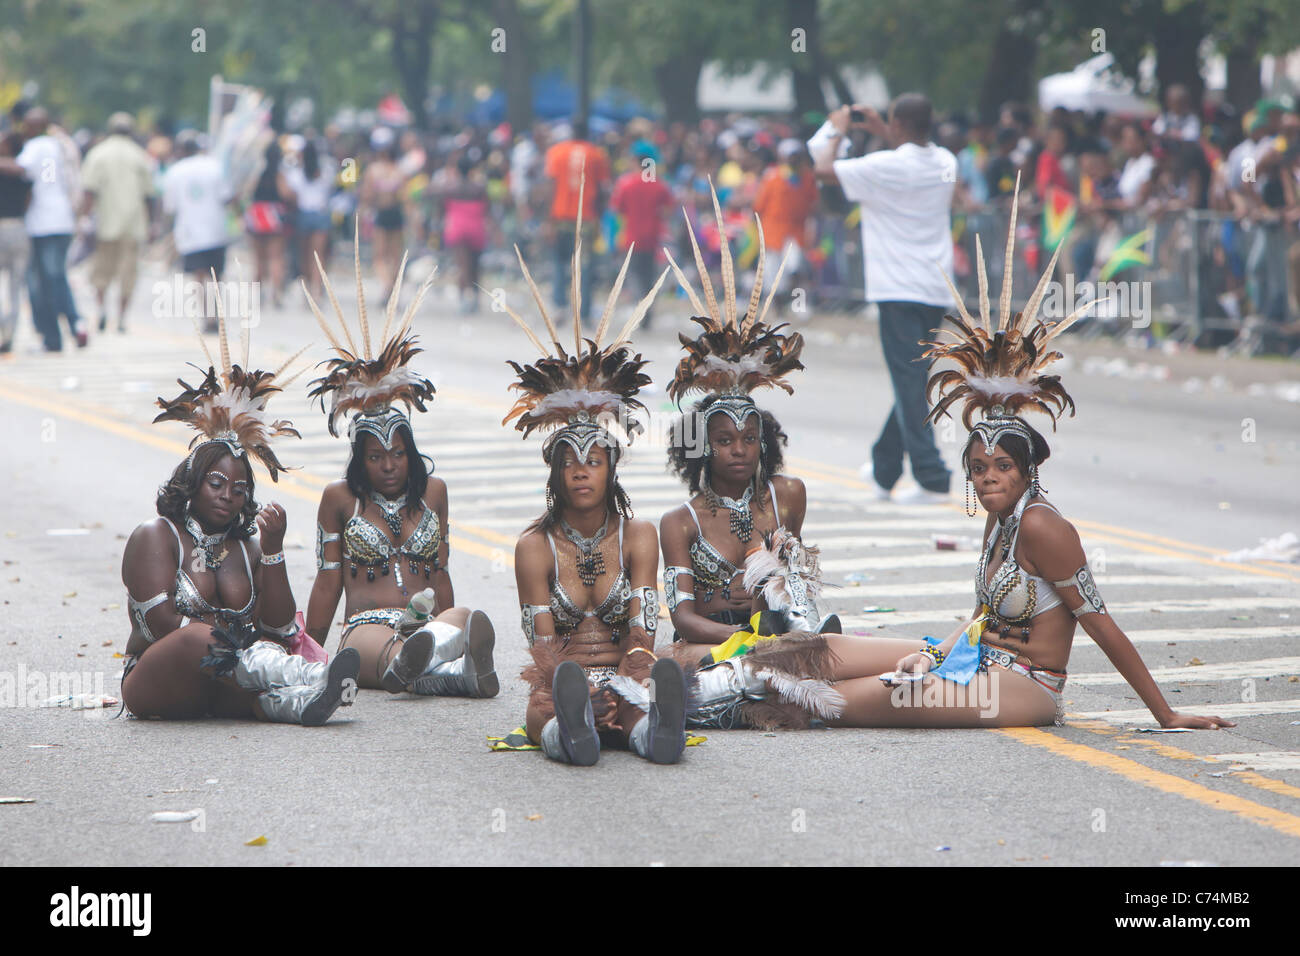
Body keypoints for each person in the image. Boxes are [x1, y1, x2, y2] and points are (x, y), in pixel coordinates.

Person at [684, 200, 1236, 731]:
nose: (989, 477)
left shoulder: (1044, 526)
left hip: (1024, 685)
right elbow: (980, 621)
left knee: (850, 696)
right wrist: (933, 656)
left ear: (1027, 470)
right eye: (977, 467)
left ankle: (696, 709)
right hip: (974, 661)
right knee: (825, 651)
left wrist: (1166, 713)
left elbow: (1100, 624)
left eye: (1001, 466)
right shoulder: (1004, 518)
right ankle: (693, 683)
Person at [500, 173, 687, 766]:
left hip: (624, 674)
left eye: (596, 460)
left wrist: (627, 684)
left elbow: (644, 627)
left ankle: (645, 731)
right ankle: (573, 732)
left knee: (646, 690)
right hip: (564, 682)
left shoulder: (638, 535)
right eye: (571, 462)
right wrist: (574, 694)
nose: (583, 472)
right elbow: (542, 644)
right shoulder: (534, 546)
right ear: (553, 475)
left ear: (612, 470)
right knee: (539, 709)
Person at [120, 300, 361, 723]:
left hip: (223, 690)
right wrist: (238, 644)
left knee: (262, 653)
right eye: (216, 483)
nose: (228, 495)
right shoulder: (157, 535)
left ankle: (303, 703)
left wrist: (272, 549)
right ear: (192, 486)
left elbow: (281, 628)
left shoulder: (245, 546)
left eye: (240, 488)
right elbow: (159, 626)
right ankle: (312, 677)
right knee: (199, 639)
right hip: (159, 683)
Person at [303, 227, 498, 698]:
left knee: (464, 619)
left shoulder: (434, 493)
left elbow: (442, 575)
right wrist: (305, 653)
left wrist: (452, 622)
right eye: (375, 456)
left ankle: (438, 655)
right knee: (391, 651)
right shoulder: (339, 499)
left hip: (427, 622)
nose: (389, 465)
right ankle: (443, 666)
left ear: (410, 454)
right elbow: (328, 582)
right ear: (359, 460)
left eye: (398, 454)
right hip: (367, 629)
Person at [807, 95, 956, 503]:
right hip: (935, 286)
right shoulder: (946, 161)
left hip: (896, 287)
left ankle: (932, 476)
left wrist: (838, 127)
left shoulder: (884, 166)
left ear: (898, 124)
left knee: (909, 379)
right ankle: (885, 468)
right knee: (912, 378)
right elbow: (909, 148)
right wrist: (882, 129)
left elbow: (823, 171)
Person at [13, 107, 86, 351]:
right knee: (56, 278)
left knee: (39, 283)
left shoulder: (37, 146)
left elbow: (21, 169)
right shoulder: (59, 145)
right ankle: (76, 325)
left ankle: (52, 335)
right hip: (62, 219)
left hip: (42, 223)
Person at [80, 112, 154, 334]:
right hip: (134, 224)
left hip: (106, 224)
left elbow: (89, 191)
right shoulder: (140, 156)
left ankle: (101, 311)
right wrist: (153, 224)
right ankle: (121, 318)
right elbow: (149, 195)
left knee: (101, 271)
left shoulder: (97, 154)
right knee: (128, 273)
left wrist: (84, 219)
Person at [161, 131, 235, 333]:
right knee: (216, 276)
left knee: (199, 276)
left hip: (190, 233)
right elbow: (227, 196)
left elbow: (169, 207)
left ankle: (208, 317)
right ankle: (217, 314)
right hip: (216, 229)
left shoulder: (174, 171)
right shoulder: (214, 166)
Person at [542, 118, 610, 326]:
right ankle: (585, 311)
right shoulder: (597, 155)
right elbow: (602, 190)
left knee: (560, 263)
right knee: (585, 265)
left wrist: (548, 220)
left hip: (560, 217)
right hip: (586, 218)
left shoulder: (556, 152)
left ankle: (560, 308)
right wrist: (599, 216)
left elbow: (550, 188)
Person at [609, 141, 672, 326]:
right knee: (649, 276)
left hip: (631, 237)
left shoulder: (625, 184)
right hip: (653, 237)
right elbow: (667, 211)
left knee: (633, 274)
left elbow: (617, 210)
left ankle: (641, 309)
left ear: (635, 160)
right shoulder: (659, 185)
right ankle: (649, 308)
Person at [437, 153, 489, 314]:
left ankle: (464, 298)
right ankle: (475, 296)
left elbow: (441, 209)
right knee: (475, 264)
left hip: (457, 227)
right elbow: (488, 209)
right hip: (476, 226)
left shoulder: (450, 187)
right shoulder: (479, 188)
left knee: (462, 265)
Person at [360, 129, 407, 302]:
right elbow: (405, 197)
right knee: (395, 256)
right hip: (396, 213)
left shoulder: (373, 170)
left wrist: (363, 213)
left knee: (379, 257)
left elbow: (366, 195)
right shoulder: (399, 170)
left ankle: (387, 285)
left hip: (381, 213)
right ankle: (393, 288)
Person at [285, 139, 336, 300]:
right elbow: (331, 190)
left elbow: (291, 194)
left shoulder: (296, 173)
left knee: (305, 255)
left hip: (303, 215)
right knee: (319, 256)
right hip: (321, 214)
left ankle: (307, 288)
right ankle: (318, 290)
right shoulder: (326, 171)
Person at [245, 140, 293, 308]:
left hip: (257, 213)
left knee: (258, 257)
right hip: (274, 214)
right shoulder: (279, 174)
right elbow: (285, 194)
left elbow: (248, 191)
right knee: (276, 257)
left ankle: (258, 293)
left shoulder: (258, 173)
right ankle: (276, 293)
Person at [0, 131, 31, 353]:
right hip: (20, 228)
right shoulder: (24, 173)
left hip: (2, 228)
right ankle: (11, 331)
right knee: (15, 287)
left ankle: (3, 326)